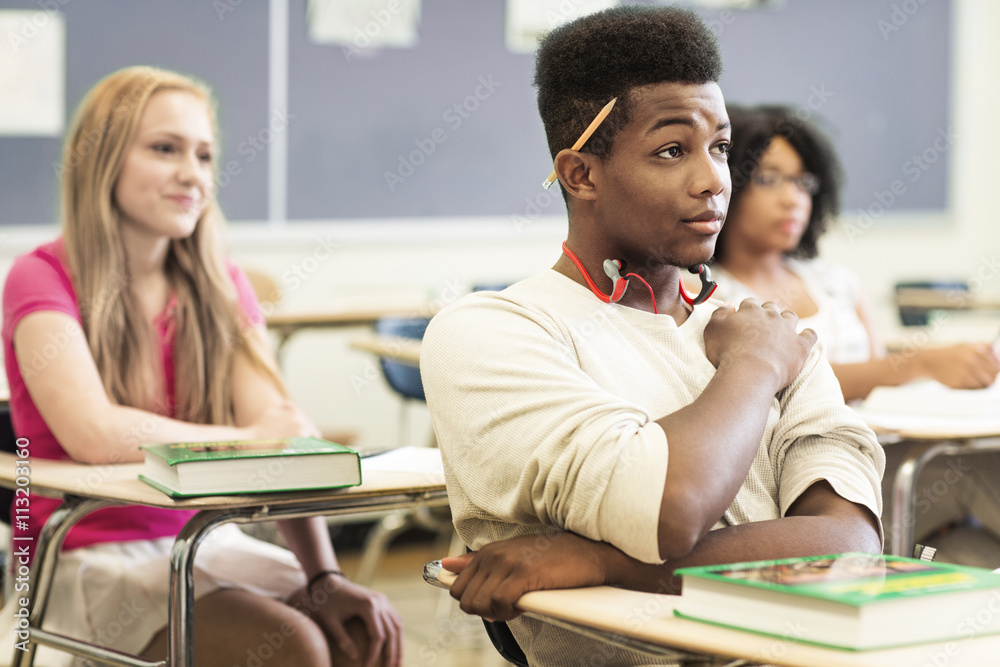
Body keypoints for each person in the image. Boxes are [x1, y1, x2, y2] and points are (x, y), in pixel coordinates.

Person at [420, 7, 884, 666]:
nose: (714, 179)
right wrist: (750, 370)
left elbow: (849, 547)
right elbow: (673, 506)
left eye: (720, 147)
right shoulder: (493, 331)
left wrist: (593, 559)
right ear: (580, 174)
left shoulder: (765, 328)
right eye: (673, 150)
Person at [0, 66, 402, 667]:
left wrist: (322, 576)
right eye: (165, 149)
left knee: (359, 633)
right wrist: (248, 440)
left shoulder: (219, 285)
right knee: (295, 647)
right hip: (82, 557)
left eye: (206, 155)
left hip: (202, 540)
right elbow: (96, 433)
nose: (193, 174)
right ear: (103, 158)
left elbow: (283, 434)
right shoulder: (40, 277)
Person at [709, 103, 1000, 567]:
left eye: (803, 182)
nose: (792, 199)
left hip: (893, 459)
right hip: (816, 482)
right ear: (726, 183)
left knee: (972, 554)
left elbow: (882, 394)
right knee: (974, 473)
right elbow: (790, 383)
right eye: (769, 179)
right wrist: (921, 363)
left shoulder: (836, 281)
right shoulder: (713, 295)